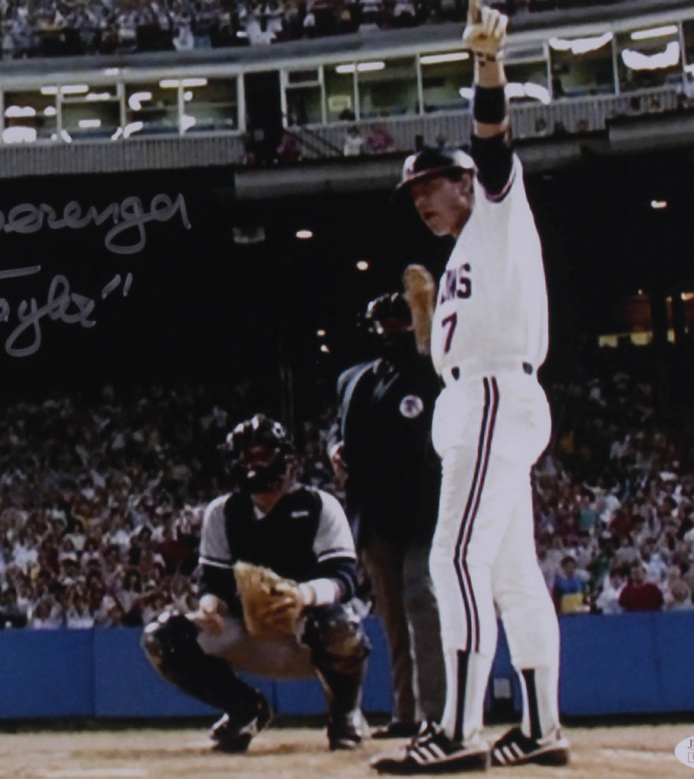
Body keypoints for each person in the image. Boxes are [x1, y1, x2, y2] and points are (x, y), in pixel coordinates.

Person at [372, 0, 568, 770]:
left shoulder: (493, 207)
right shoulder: (461, 254)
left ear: (461, 182)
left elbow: (492, 143)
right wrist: (426, 332)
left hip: (492, 396)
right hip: (480, 396)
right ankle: (542, 725)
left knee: (454, 559)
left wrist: (487, 66)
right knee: (514, 572)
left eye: (430, 183)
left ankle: (456, 730)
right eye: (413, 191)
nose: (421, 198)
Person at [142, 414, 369, 752]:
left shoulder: (320, 506)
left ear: (287, 459)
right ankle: (243, 708)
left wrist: (301, 595)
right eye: (247, 457)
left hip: (308, 634)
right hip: (248, 635)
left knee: (339, 624)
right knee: (162, 637)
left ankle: (344, 715)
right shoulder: (222, 513)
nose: (255, 465)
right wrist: (210, 608)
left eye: (263, 455)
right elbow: (213, 583)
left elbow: (345, 578)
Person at [327, 292, 444, 739]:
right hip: (375, 517)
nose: (391, 331)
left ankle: (438, 715)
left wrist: (430, 343)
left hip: (423, 515)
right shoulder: (354, 380)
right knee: (394, 621)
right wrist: (333, 450)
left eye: (401, 323)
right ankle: (407, 715)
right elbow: (338, 430)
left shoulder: (434, 375)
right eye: (384, 324)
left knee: (421, 602)